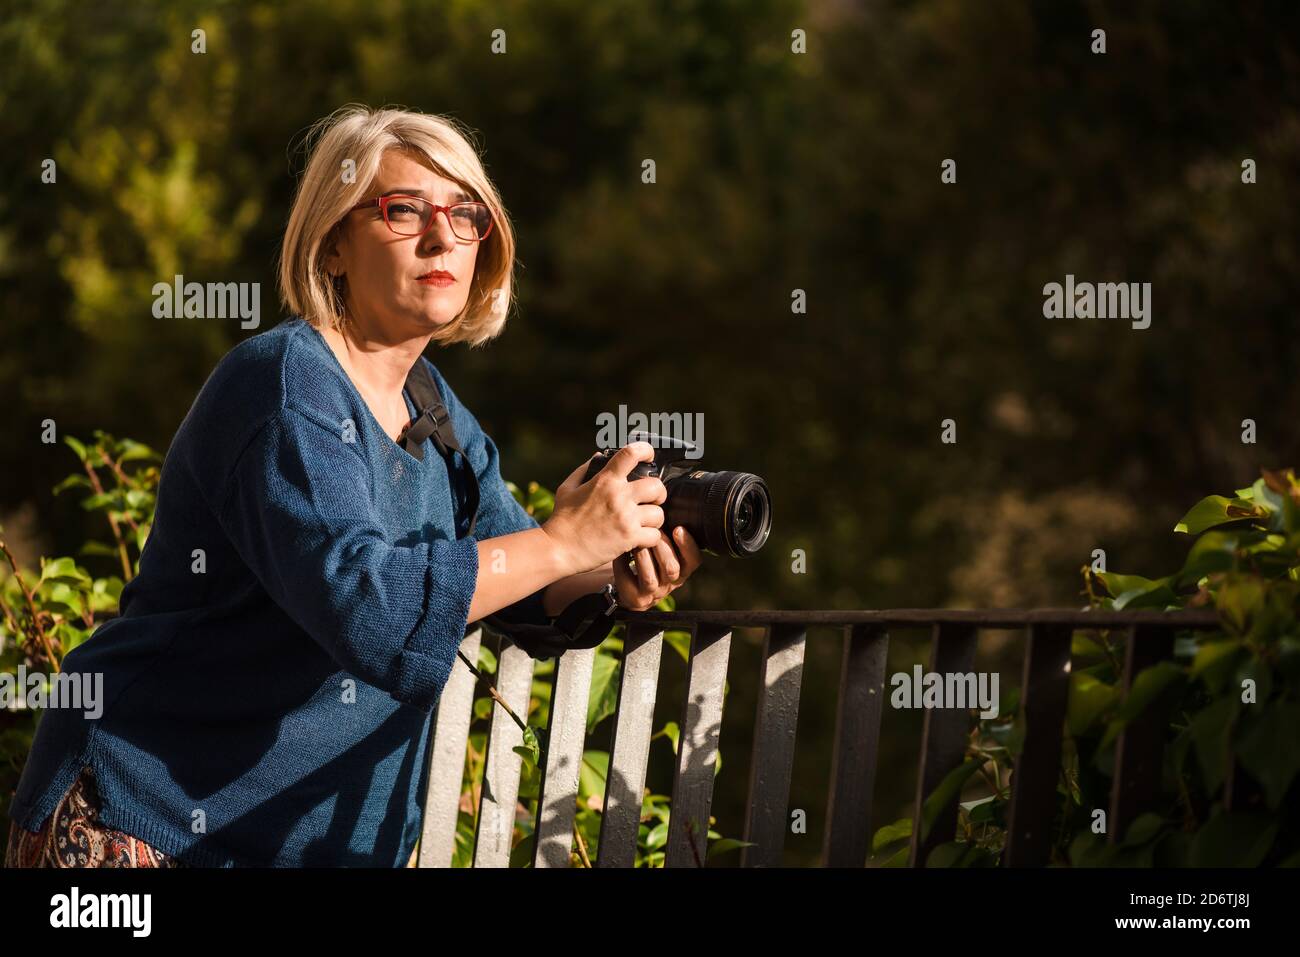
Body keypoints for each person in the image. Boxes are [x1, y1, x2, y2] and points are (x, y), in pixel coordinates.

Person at [4, 105, 702, 868]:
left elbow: (520, 577)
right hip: (143, 818)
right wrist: (561, 540)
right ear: (333, 243)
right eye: (406, 210)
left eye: (465, 215)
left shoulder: (435, 409)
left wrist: (607, 569)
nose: (442, 236)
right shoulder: (284, 381)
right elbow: (368, 607)